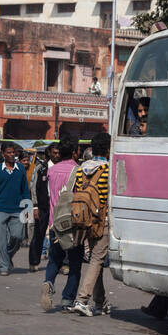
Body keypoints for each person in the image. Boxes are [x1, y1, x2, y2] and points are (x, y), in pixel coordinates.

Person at [69, 132, 111, 316]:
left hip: (85, 219)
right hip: (103, 219)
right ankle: (83, 299)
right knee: (97, 259)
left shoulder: (81, 169)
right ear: (110, 149)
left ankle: (100, 302)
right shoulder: (109, 169)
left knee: (96, 258)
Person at [40, 139, 82, 311]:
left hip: (54, 222)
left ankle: (48, 282)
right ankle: (67, 299)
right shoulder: (77, 171)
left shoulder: (51, 170)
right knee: (75, 263)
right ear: (73, 153)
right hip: (72, 223)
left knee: (54, 260)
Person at [0, 143, 28, 276]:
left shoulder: (20, 168)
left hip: (17, 209)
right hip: (0, 209)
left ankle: (7, 255)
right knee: (0, 239)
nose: (12, 155)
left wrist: (28, 209)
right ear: (3, 154)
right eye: (8, 153)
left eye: (13, 152)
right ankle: (4, 266)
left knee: (18, 236)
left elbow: (25, 189)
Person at [29, 143, 58, 272]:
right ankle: (34, 261)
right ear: (49, 153)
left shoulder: (62, 167)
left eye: (58, 153)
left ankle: (61, 263)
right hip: (43, 205)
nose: (56, 155)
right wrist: (35, 206)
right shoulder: (41, 168)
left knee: (59, 235)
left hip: (57, 205)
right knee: (39, 234)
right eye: (54, 153)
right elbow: (34, 187)